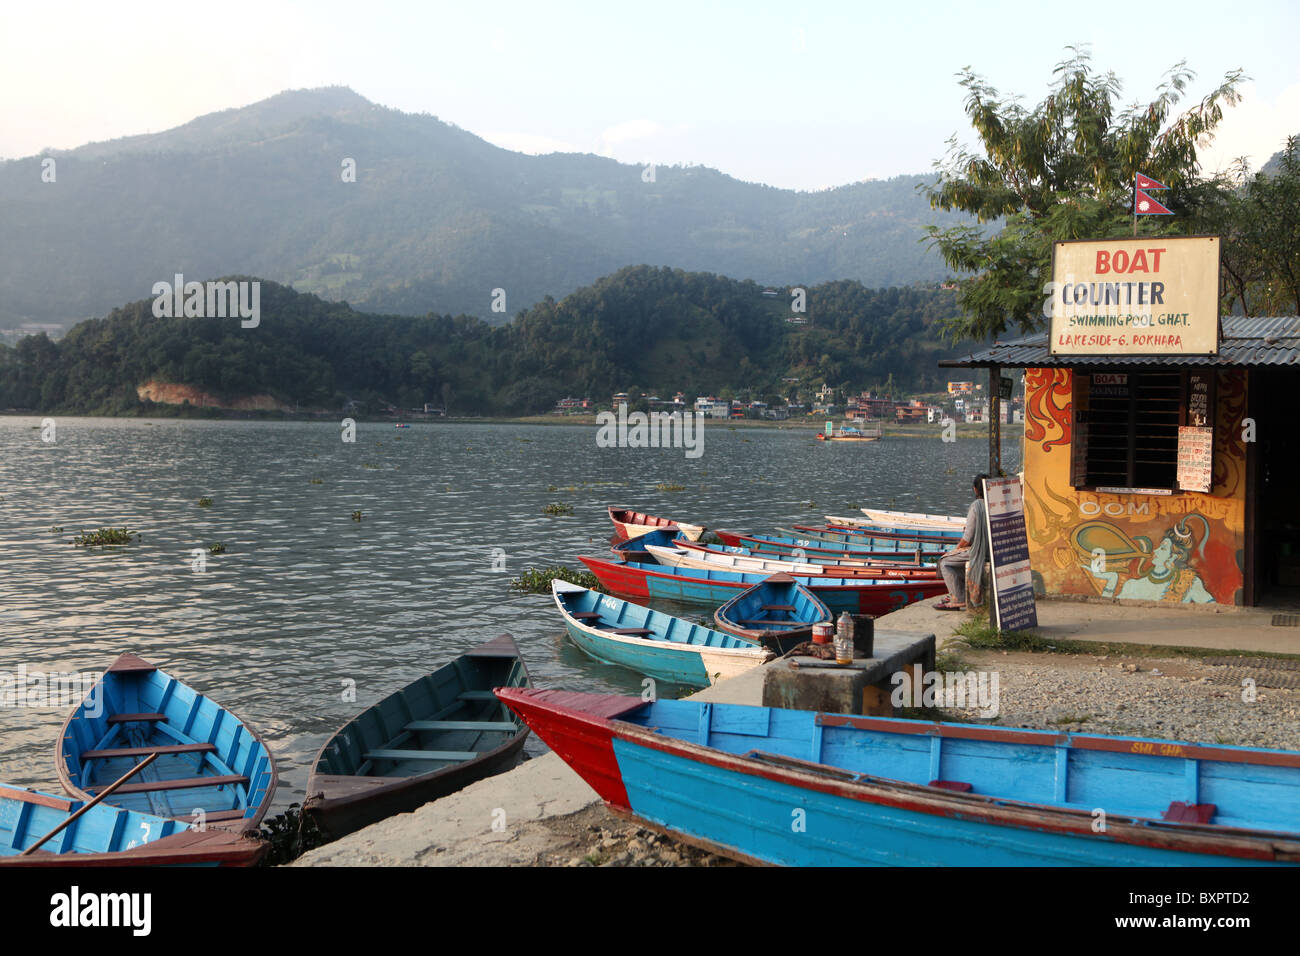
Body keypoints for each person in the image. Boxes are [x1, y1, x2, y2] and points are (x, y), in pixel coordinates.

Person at [935, 474, 991, 610]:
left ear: (975, 490)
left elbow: (968, 538)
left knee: (945, 562)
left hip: (981, 550)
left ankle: (958, 598)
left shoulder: (976, 506)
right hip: (992, 550)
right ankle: (958, 592)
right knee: (955, 562)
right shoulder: (994, 503)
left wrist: (956, 550)